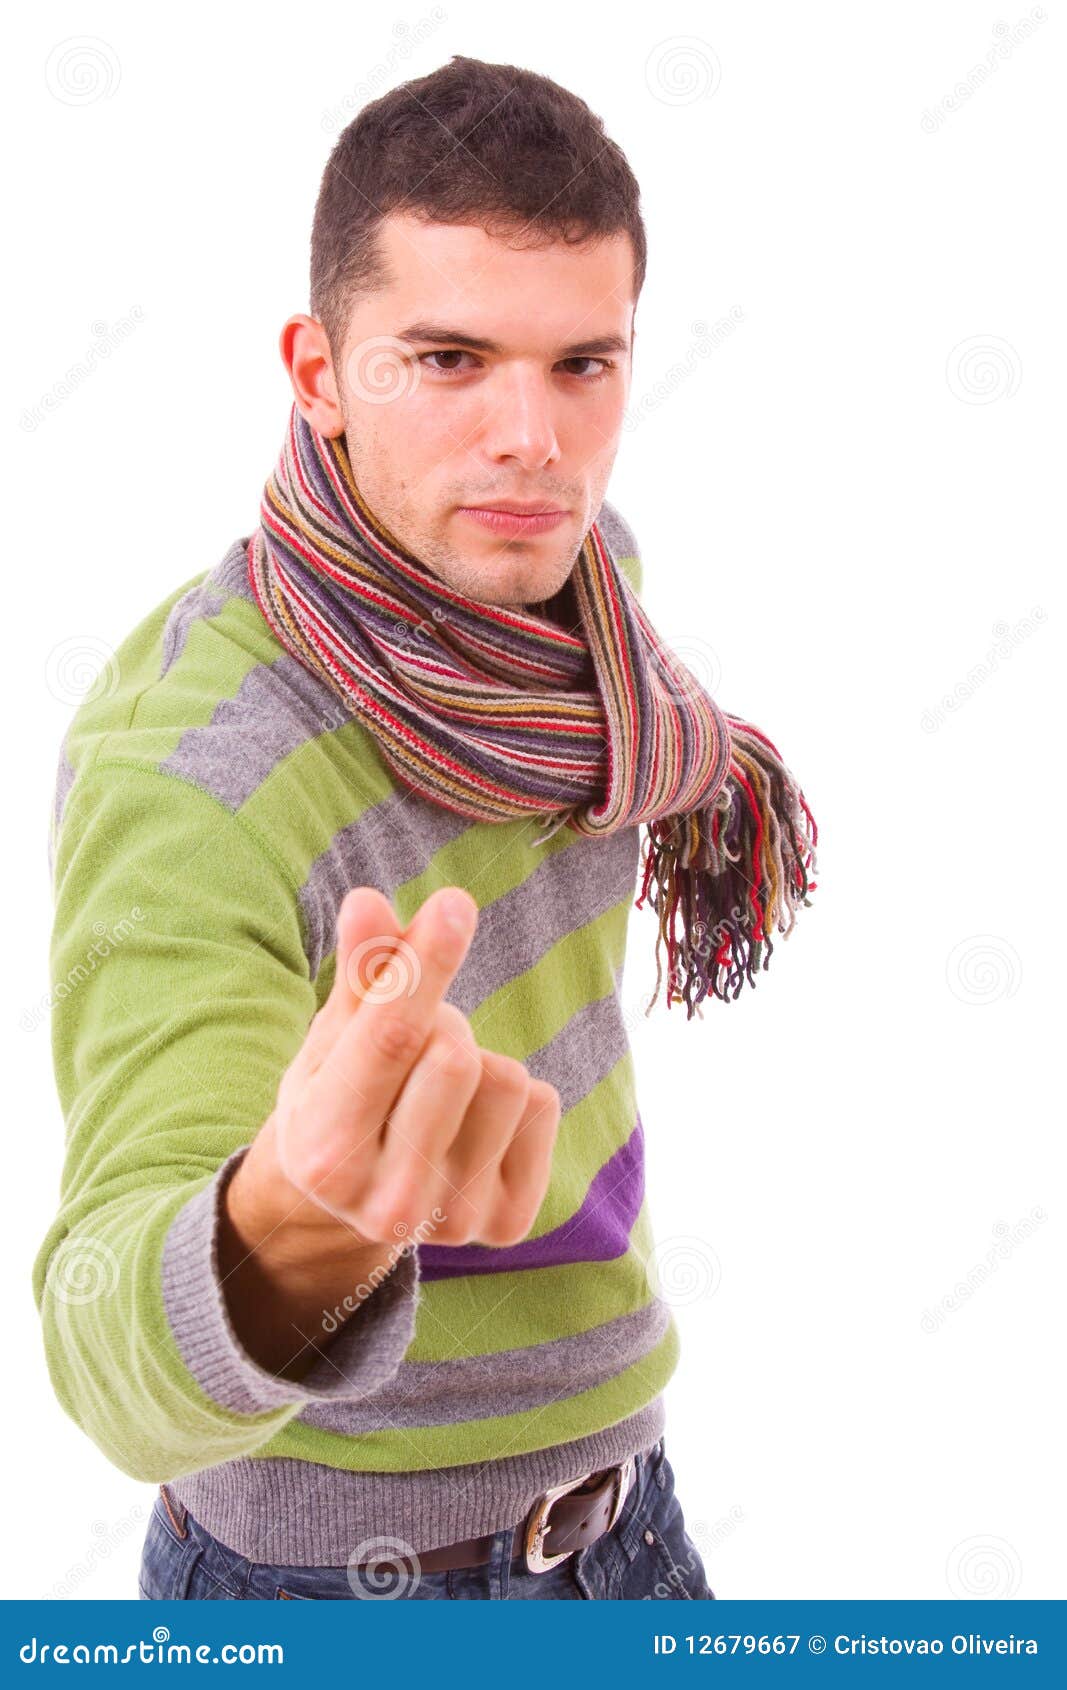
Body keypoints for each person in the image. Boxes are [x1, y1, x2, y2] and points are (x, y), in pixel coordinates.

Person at [34, 54, 815, 1602]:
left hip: (629, 1520)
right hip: (350, 1584)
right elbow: (101, 1331)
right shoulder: (195, 774)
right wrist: (290, 1234)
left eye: (581, 363)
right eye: (448, 359)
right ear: (317, 371)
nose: (532, 438)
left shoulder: (584, 610)